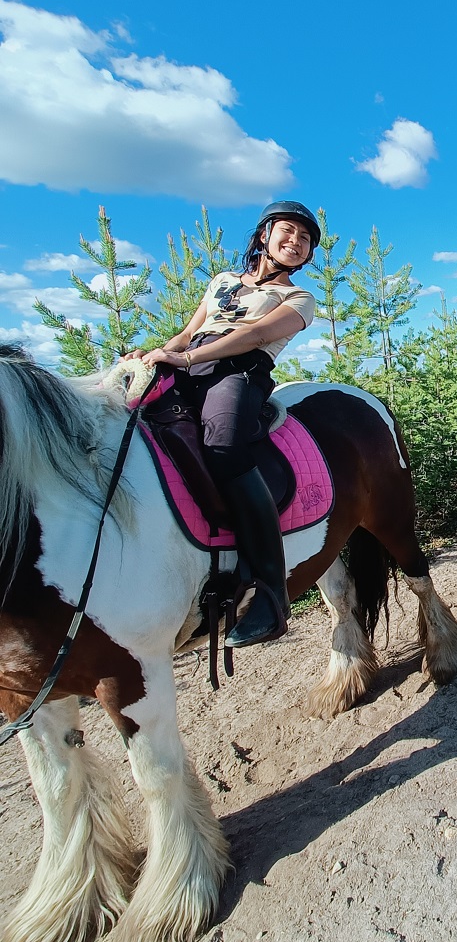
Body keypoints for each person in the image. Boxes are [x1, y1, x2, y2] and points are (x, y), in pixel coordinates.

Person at [122, 201, 318, 648]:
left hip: (238, 373)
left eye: (305, 239)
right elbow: (189, 332)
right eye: (287, 231)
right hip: (191, 363)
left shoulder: (300, 299)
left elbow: (253, 336)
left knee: (224, 447)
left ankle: (271, 595)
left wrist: (187, 358)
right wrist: (154, 355)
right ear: (264, 235)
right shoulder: (223, 282)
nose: (295, 241)